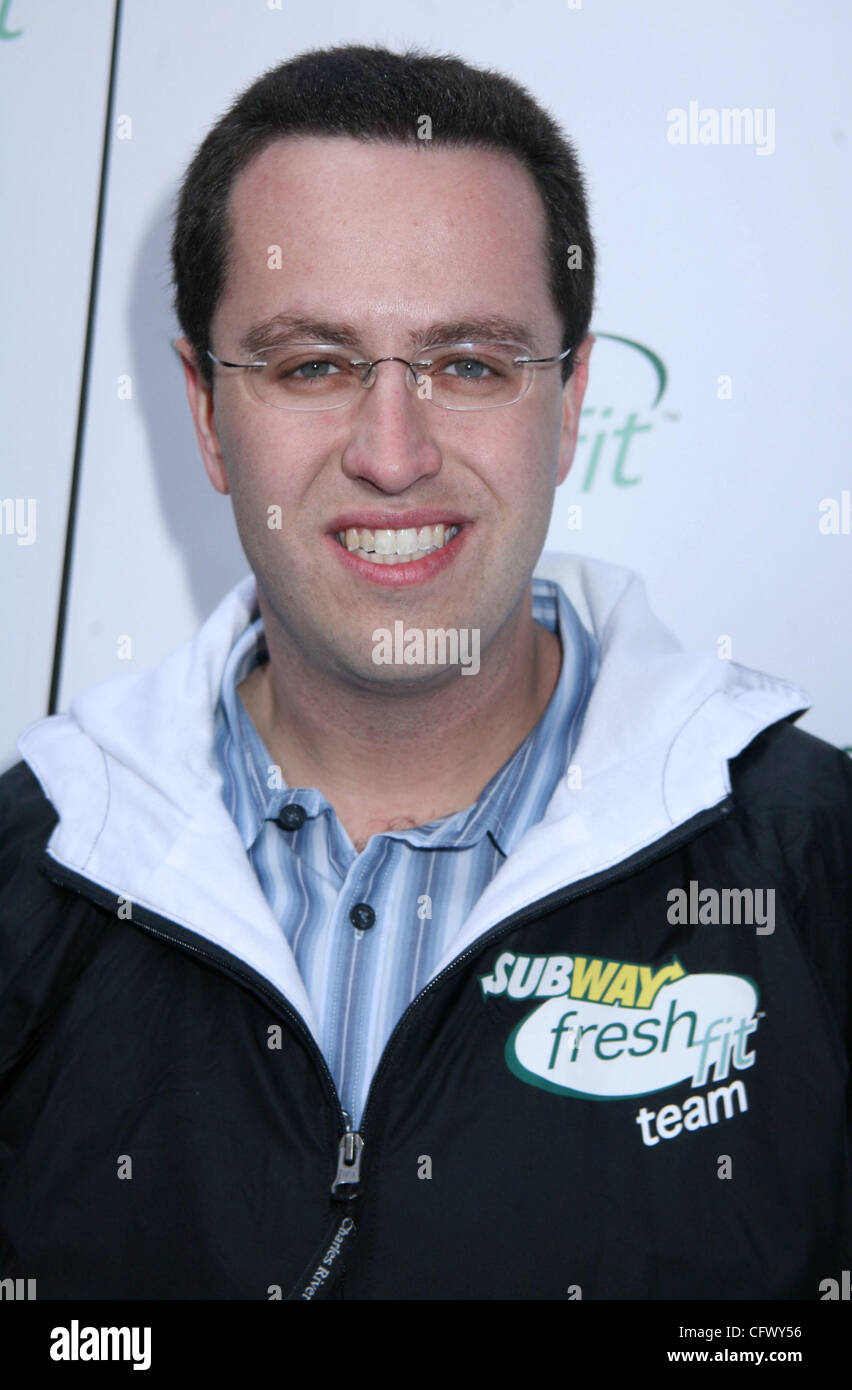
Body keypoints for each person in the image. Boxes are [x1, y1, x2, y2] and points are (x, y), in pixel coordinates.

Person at [0, 43, 849, 1302]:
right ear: (203, 411)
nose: (393, 455)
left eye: (469, 364)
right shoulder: (27, 885)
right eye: (312, 365)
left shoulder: (820, 870)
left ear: (567, 408)